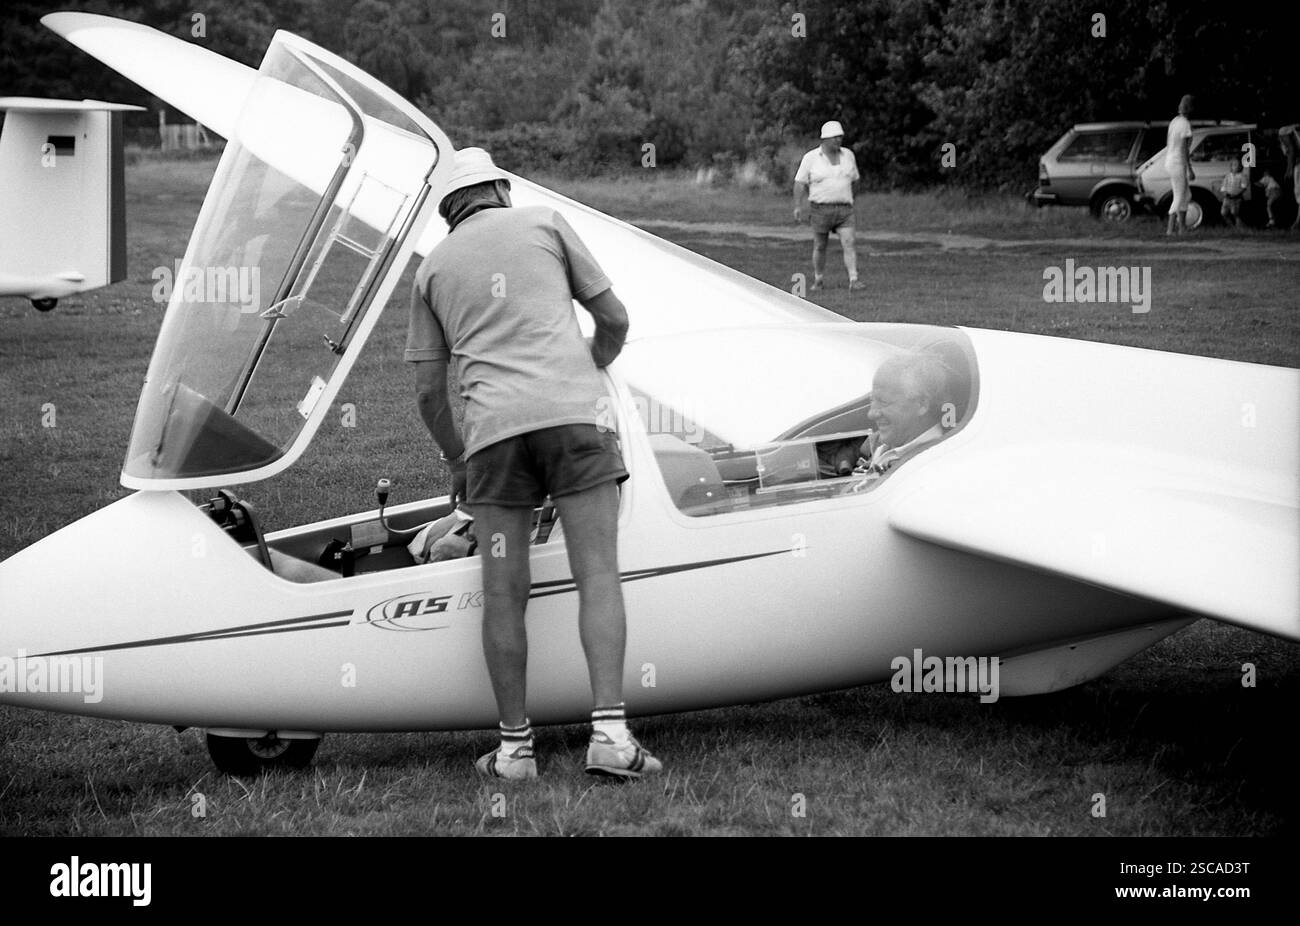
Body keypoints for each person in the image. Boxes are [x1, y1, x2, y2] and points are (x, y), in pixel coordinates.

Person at [405, 147, 661, 781]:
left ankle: (516, 750)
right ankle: (609, 736)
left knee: (502, 593)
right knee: (598, 575)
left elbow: (428, 391)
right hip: (576, 424)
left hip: (494, 439)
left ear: (449, 212)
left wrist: (455, 458)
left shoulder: (433, 269)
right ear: (500, 191)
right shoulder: (544, 223)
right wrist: (594, 360)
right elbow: (615, 318)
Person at [850, 351, 952, 484]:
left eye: (884, 402)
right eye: (872, 400)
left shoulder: (931, 466)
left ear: (921, 404)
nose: (871, 413)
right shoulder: (883, 441)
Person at [793, 120, 863, 291]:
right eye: (834, 138)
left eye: (840, 137)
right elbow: (800, 183)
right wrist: (798, 206)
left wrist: (849, 198)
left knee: (849, 242)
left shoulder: (848, 155)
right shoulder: (810, 158)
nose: (838, 140)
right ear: (824, 139)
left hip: (845, 210)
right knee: (820, 245)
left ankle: (854, 279)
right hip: (820, 209)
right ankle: (818, 279)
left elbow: (855, 181)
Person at [1165, 95, 1196, 235]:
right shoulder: (1184, 124)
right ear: (1190, 108)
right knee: (1178, 195)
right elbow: (1184, 149)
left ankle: (1182, 228)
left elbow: (1169, 143)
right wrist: (1189, 169)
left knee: (1186, 194)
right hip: (1178, 162)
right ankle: (1170, 229)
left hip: (1171, 161)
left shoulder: (1174, 121)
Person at [1220, 157, 1248, 228]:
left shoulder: (1242, 176)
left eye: (1238, 165)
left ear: (1241, 167)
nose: (1236, 167)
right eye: (1234, 165)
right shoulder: (1228, 176)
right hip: (1227, 197)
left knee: (1235, 212)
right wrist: (1224, 192)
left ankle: (1239, 226)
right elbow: (1223, 185)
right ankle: (1230, 225)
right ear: (1231, 167)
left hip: (1236, 198)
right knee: (1223, 213)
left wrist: (1237, 193)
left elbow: (1244, 187)